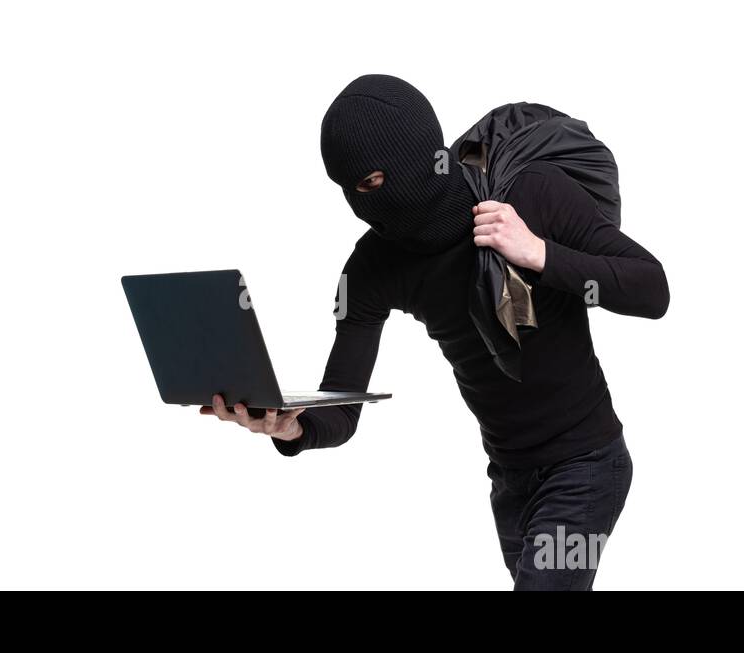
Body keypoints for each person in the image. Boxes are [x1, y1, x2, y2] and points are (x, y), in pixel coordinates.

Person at [200, 75, 669, 590]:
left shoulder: (526, 195)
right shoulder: (373, 267)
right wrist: (292, 429)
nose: (367, 203)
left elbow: (652, 290)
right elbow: (343, 407)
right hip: (508, 478)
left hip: (588, 464)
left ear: (416, 155)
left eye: (376, 181)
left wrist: (537, 252)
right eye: (350, 189)